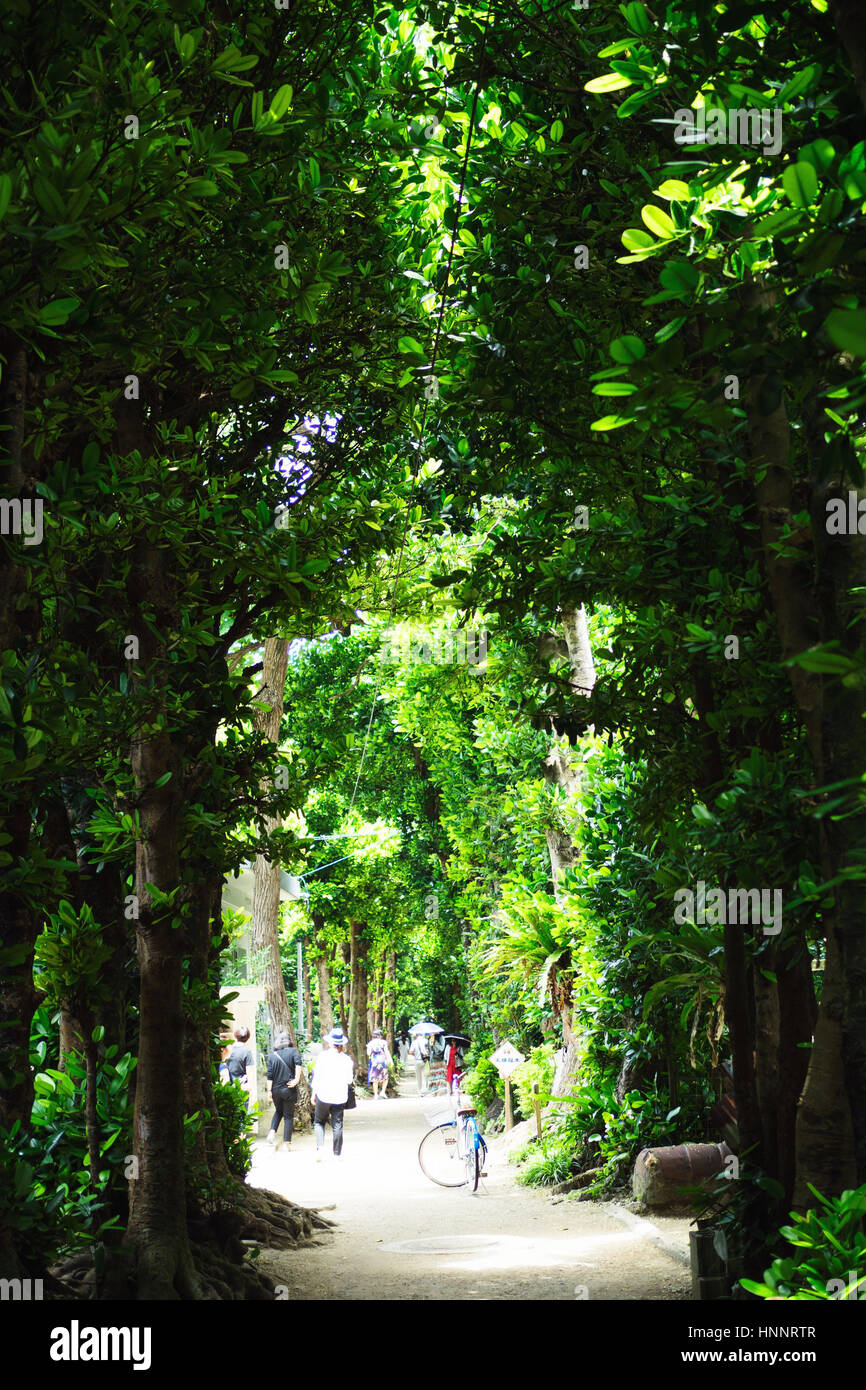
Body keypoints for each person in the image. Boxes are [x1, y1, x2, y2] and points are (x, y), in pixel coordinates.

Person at [311, 1027, 355, 1161]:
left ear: (330, 1043)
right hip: (340, 1096)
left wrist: (314, 1093)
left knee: (319, 1122)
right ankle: (337, 1154)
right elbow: (349, 1080)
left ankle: (320, 1147)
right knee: (337, 1124)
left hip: (323, 1095)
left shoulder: (322, 1057)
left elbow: (316, 1077)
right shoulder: (347, 1060)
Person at [266, 1030, 303, 1152]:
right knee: (288, 1116)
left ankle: (272, 1132)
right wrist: (296, 1080)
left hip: (276, 1090)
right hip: (288, 1088)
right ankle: (286, 1144)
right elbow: (298, 1065)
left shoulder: (272, 1055)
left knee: (278, 1111)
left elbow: (269, 1076)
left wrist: (269, 1091)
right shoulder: (293, 1052)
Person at [222, 1025, 254, 1105]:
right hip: (242, 1086)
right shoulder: (246, 1052)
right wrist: (250, 1086)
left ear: (235, 1036)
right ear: (247, 1037)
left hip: (229, 1086)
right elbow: (249, 1071)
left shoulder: (228, 1049)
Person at [366, 1028, 392, 1099]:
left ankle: (375, 1095)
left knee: (375, 1078)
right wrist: (390, 1060)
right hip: (383, 1060)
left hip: (374, 1061)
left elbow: (368, 1053)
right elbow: (386, 1052)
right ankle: (383, 1092)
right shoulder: (383, 1042)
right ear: (380, 1036)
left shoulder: (370, 1043)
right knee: (385, 1077)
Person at [408, 1031, 429, 1095]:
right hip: (425, 1060)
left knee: (418, 1076)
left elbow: (410, 1052)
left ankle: (419, 1090)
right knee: (425, 1075)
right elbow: (429, 1050)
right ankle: (424, 1089)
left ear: (416, 1035)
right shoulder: (426, 1041)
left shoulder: (414, 1042)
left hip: (417, 1060)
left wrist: (416, 1054)